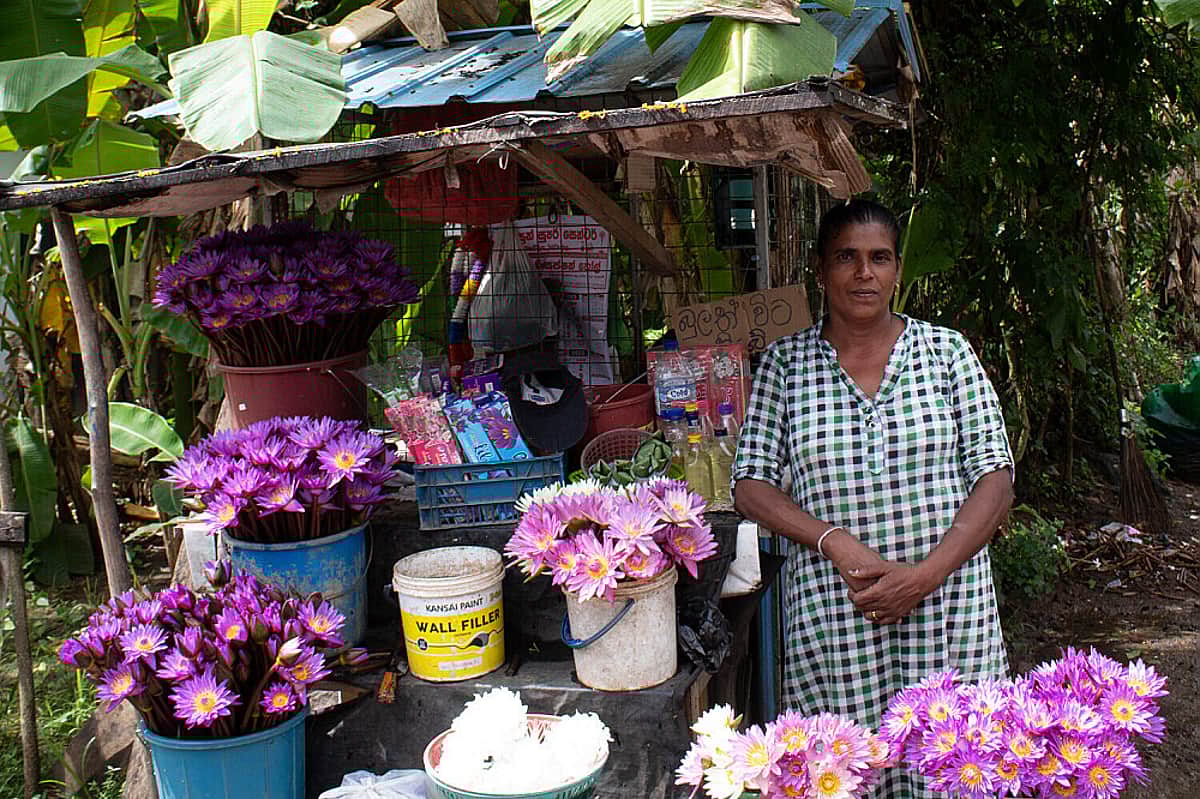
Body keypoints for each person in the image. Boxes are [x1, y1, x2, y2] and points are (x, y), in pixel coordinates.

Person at [732, 199, 1014, 798]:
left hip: (947, 608)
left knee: (958, 765)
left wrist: (926, 575)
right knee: (850, 770)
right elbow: (749, 483)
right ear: (820, 267)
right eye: (847, 258)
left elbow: (996, 478)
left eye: (879, 258)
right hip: (838, 614)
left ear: (897, 269)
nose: (865, 274)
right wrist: (832, 539)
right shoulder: (786, 366)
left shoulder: (946, 353)